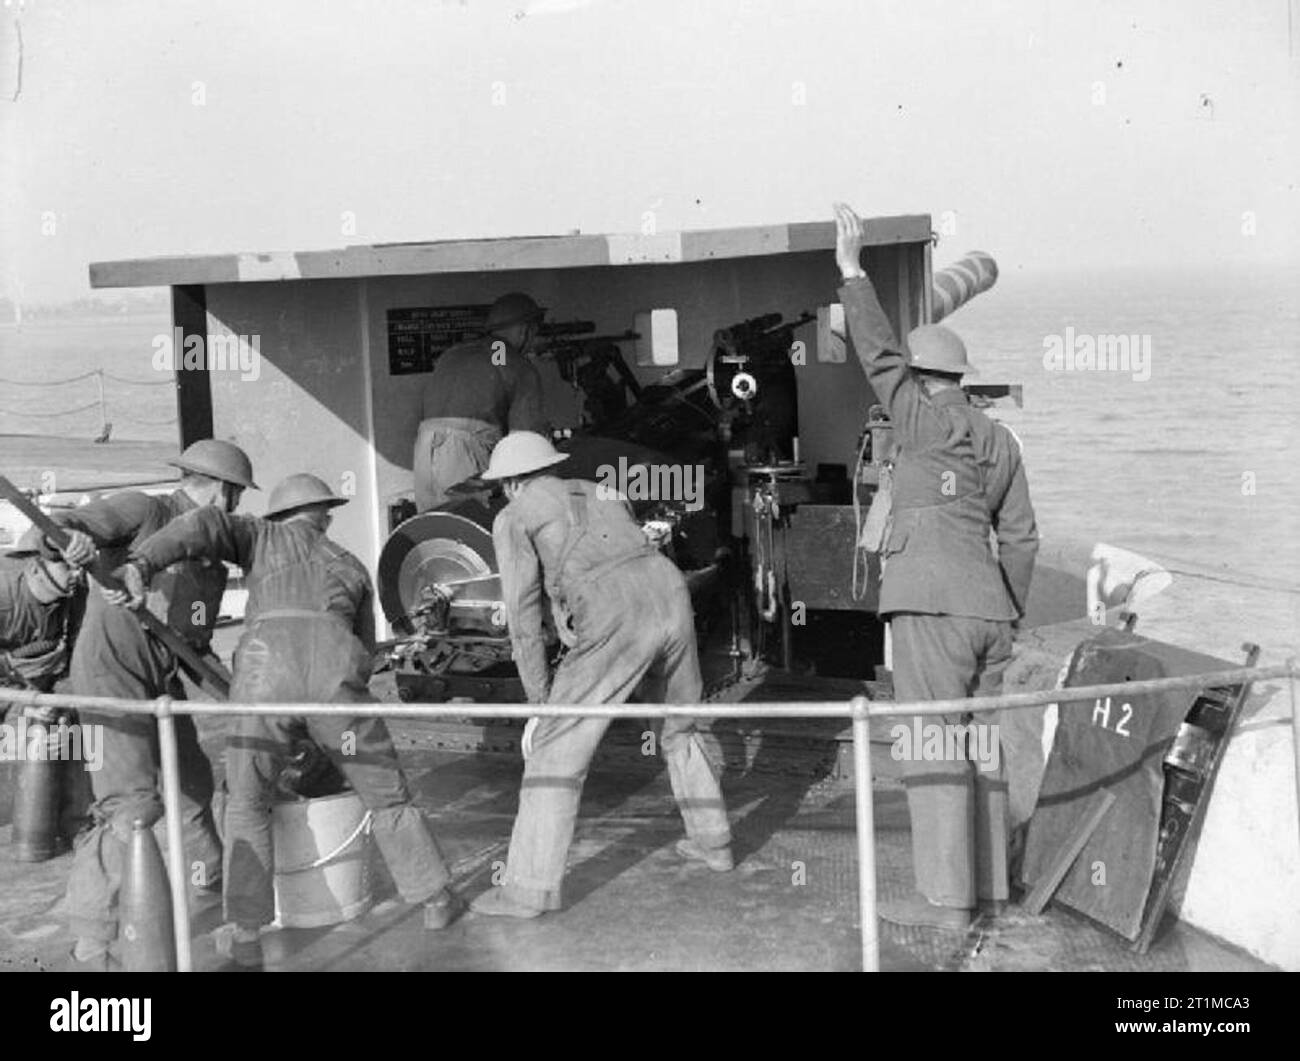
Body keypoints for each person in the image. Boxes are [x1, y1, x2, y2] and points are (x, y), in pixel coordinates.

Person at [118, 472, 460, 967]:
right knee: (385, 794)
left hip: (262, 692)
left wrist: (141, 563)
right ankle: (435, 899)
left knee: (248, 802)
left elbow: (205, 523)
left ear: (278, 514)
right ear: (322, 516)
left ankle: (245, 932)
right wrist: (330, 699)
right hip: (334, 699)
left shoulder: (258, 536)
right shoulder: (352, 565)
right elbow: (365, 653)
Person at [833, 202, 1039, 930]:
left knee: (930, 743)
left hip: (931, 609)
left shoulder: (919, 418)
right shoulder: (1001, 440)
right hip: (991, 615)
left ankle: (947, 905)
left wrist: (853, 272)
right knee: (982, 747)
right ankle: (989, 890)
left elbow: (878, 355)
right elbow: (1020, 539)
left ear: (922, 378)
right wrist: (1003, 608)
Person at [468, 432, 732, 919]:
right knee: (678, 726)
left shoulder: (514, 516)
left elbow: (523, 621)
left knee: (555, 752)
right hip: (669, 590)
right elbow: (608, 553)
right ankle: (714, 843)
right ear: (551, 467)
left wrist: (542, 705)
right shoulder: (603, 490)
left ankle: (526, 891)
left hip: (614, 609)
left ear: (508, 484)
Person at [51, 438, 256, 970]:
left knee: (192, 785)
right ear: (221, 490)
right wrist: (68, 540)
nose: (235, 509)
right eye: (234, 496)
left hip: (161, 681)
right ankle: (93, 940)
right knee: (129, 807)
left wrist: (240, 701)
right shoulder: (147, 510)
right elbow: (73, 522)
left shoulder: (210, 560)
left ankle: (209, 881)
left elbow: (194, 645)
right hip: (111, 675)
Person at [413, 292, 549, 511]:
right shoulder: (519, 365)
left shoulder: (454, 353)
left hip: (425, 452)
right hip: (467, 454)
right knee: (478, 532)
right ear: (525, 330)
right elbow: (524, 443)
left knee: (438, 534)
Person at [0, 527, 91, 854]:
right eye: (67, 566)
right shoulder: (4, 593)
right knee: (22, 743)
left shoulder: (75, 595)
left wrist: (60, 701)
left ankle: (79, 828)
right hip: (9, 693)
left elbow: (80, 657)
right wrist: (25, 708)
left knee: (80, 733)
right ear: (35, 567)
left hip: (44, 689)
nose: (75, 574)